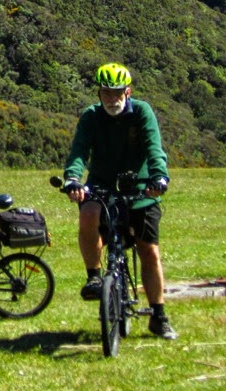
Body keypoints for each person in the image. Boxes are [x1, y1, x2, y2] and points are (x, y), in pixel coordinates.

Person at [62, 62, 178, 340]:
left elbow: (154, 147)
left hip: (141, 189)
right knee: (88, 214)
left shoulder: (142, 112)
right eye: (105, 93)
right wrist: (73, 180)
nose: (111, 99)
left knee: (148, 251)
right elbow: (79, 151)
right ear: (99, 93)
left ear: (127, 92)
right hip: (101, 186)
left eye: (116, 93)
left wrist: (159, 178)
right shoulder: (91, 117)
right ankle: (94, 276)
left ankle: (158, 316)